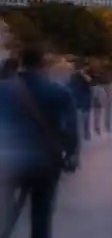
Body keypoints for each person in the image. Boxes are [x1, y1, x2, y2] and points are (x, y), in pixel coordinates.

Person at [0, 45, 80, 238]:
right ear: (43, 64)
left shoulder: (4, 89)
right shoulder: (58, 92)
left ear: (21, 62)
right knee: (41, 216)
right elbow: (70, 128)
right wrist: (72, 154)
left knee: (6, 213)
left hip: (11, 159)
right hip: (45, 162)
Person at [67, 67, 92, 142]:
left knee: (82, 120)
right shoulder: (74, 78)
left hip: (81, 102)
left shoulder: (73, 78)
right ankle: (84, 133)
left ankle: (83, 134)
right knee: (84, 119)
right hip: (82, 102)